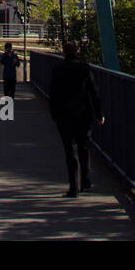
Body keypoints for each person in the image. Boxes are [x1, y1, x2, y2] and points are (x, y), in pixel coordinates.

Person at [48, 40, 104, 197]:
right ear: (77, 52)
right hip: (83, 114)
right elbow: (94, 93)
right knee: (84, 147)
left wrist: (54, 115)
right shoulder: (84, 69)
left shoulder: (57, 70)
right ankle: (85, 180)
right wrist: (99, 114)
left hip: (64, 116)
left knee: (70, 151)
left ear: (64, 53)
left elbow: (53, 96)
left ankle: (74, 188)